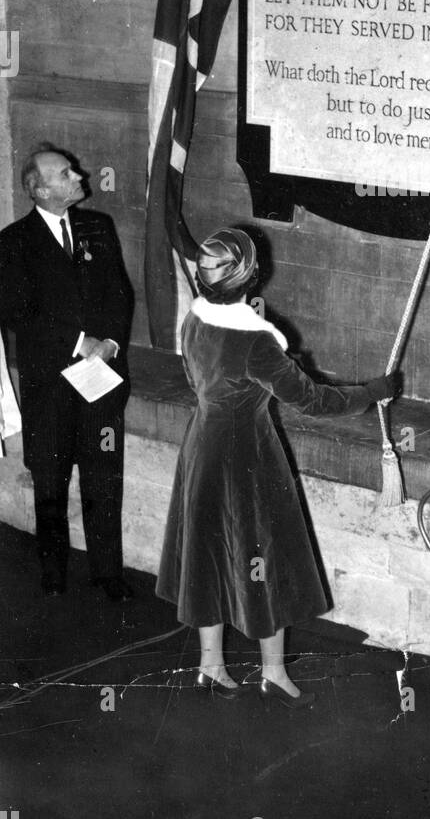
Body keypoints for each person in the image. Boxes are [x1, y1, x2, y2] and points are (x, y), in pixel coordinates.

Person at [156, 228, 398, 705]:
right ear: (250, 275)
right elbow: (313, 400)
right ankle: (274, 674)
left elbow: (196, 379)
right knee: (267, 560)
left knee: (207, 553)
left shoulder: (193, 320)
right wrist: (373, 392)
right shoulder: (257, 340)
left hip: (201, 445)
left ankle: (210, 666)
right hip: (248, 457)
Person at [0, 142, 133, 599]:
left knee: (103, 479)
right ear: (39, 190)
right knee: (51, 484)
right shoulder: (13, 242)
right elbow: (19, 313)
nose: (78, 175)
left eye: (73, 169)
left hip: (102, 379)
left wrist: (110, 344)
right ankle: (53, 577)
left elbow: (120, 294)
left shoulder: (99, 227)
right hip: (51, 387)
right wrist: (80, 343)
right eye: (65, 173)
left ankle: (107, 576)